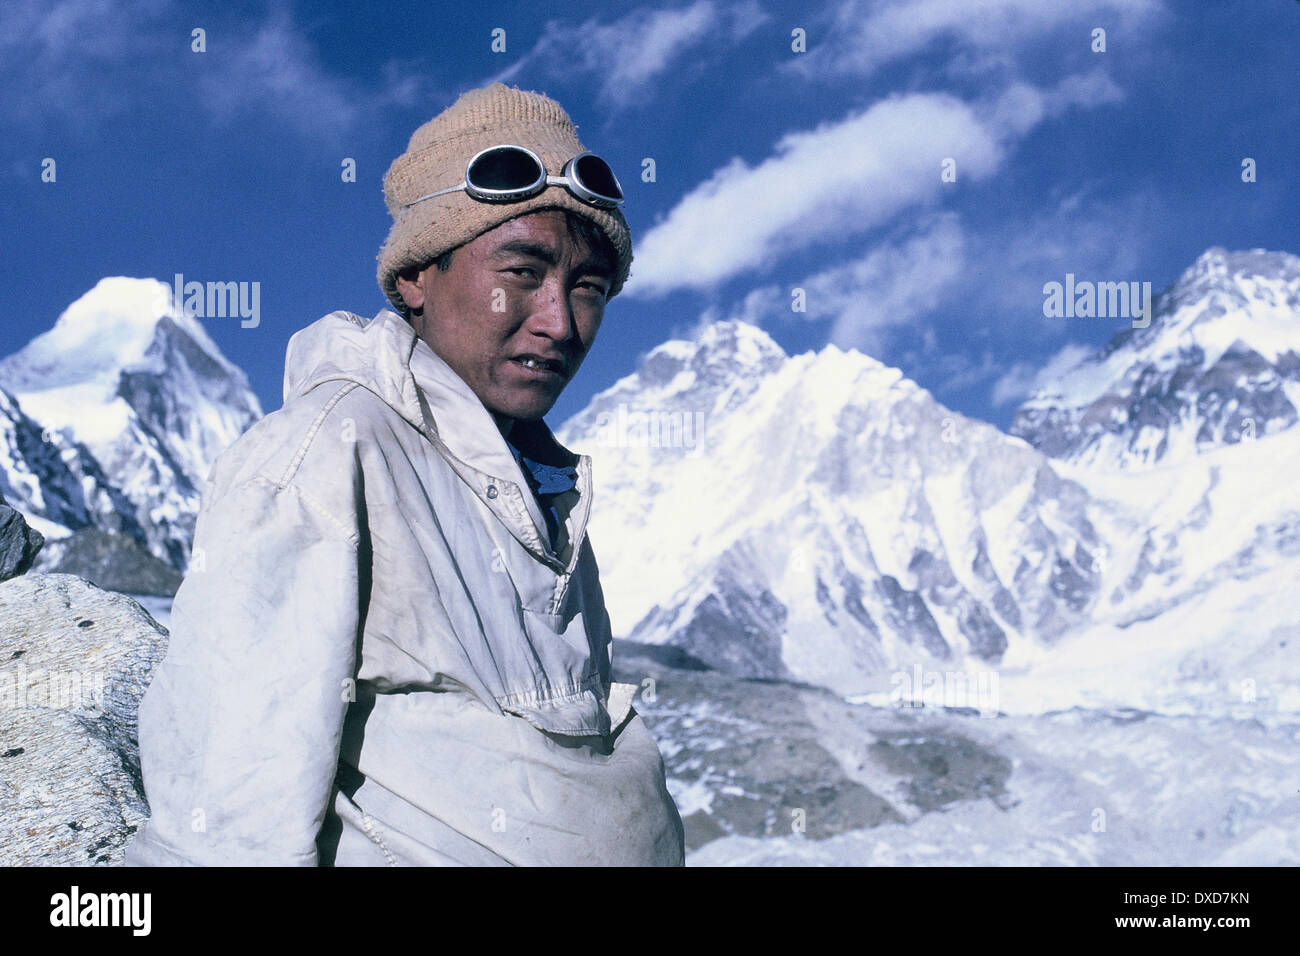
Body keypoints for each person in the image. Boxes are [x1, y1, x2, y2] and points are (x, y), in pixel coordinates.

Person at [124, 82, 686, 866]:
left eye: (589, 287)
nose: (560, 321)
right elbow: (224, 826)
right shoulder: (326, 454)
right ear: (417, 277)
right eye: (521, 271)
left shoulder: (548, 492)